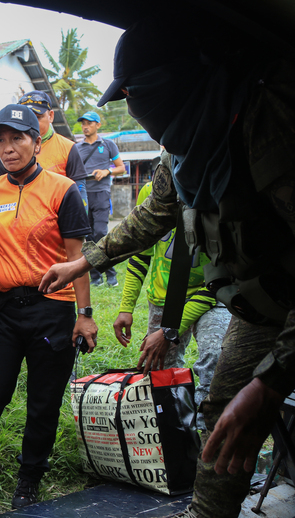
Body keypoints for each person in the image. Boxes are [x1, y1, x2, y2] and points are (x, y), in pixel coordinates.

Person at [39, 18, 295, 518]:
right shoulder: (185, 146)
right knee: (222, 410)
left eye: (137, 93)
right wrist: (85, 260)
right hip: (271, 298)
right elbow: (154, 214)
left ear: (178, 82)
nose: (136, 109)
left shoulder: (266, 118)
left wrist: (271, 382)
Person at [0, 104, 96, 510]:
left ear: (36, 141)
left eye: (17, 138)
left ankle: (29, 479)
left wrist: (85, 316)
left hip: (53, 308)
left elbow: (78, 257)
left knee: (43, 402)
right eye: (0, 140)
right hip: (6, 312)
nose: (8, 148)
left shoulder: (62, 189)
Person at [114, 178, 230, 429]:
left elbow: (221, 279)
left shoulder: (219, 190)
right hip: (162, 298)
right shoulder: (154, 189)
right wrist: (126, 308)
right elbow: (141, 254)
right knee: (158, 370)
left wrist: (169, 330)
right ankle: (172, 429)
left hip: (211, 294)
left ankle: (205, 430)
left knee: (215, 356)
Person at [0, 91, 88, 206]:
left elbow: (80, 193)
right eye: (27, 119)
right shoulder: (8, 152)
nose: (32, 123)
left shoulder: (68, 148)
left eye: (38, 117)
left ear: (51, 116)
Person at [76, 110, 124, 287]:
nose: (85, 126)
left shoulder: (108, 144)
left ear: (98, 125)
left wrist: (107, 171)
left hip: (102, 193)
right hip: (83, 195)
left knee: (101, 234)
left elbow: (121, 167)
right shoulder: (76, 148)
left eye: (89, 123)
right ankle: (95, 277)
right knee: (88, 237)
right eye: (83, 123)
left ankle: (111, 275)